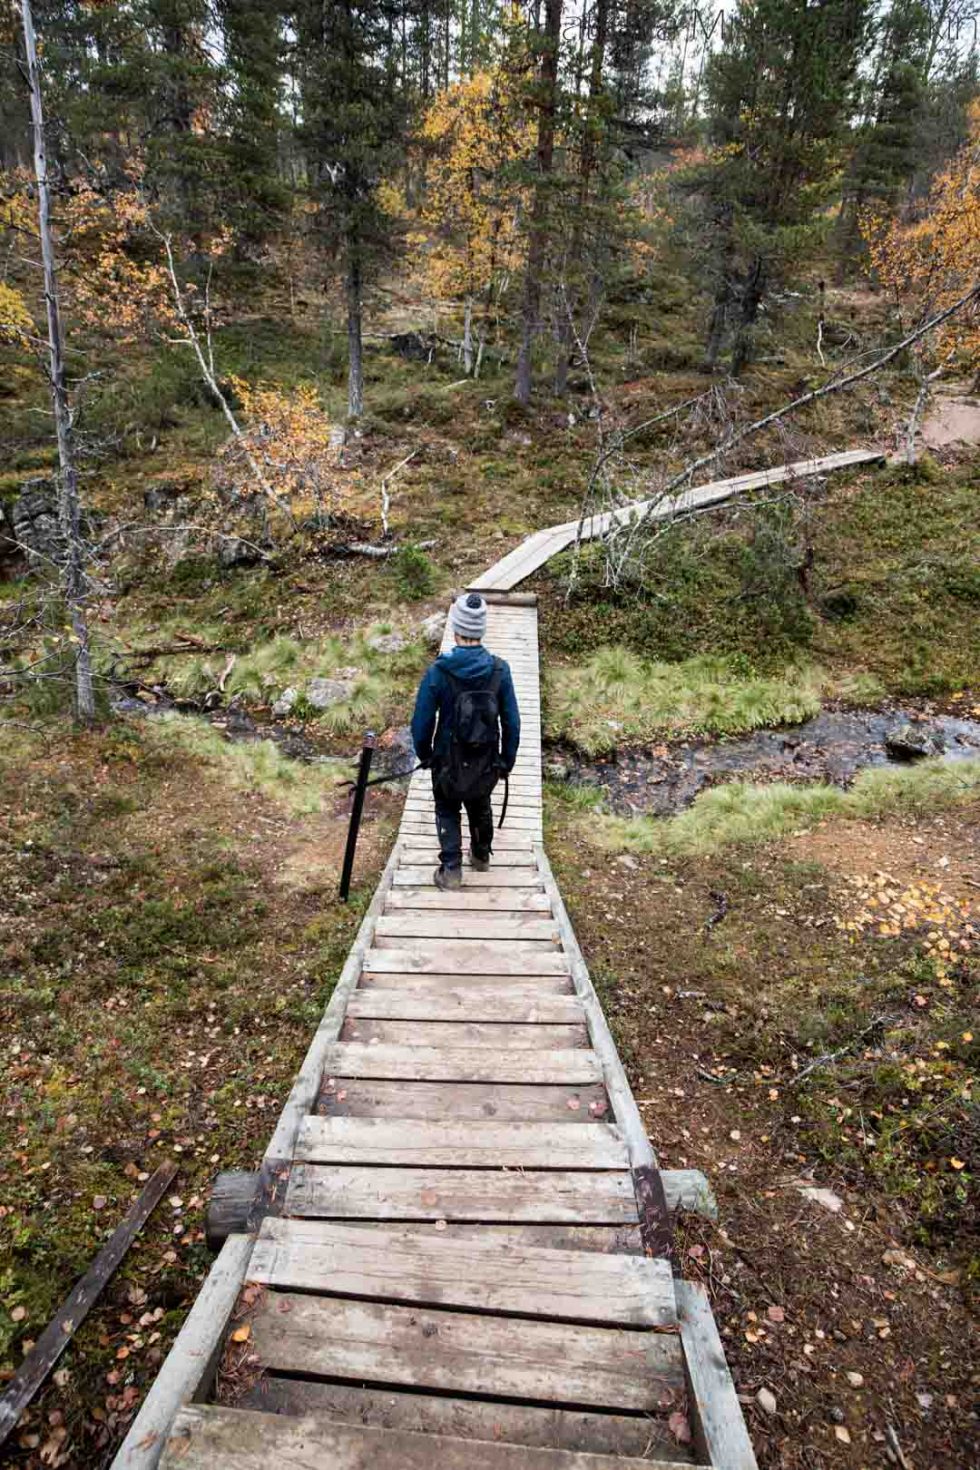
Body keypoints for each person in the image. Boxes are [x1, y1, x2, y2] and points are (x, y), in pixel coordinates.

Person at [410, 592, 521, 890]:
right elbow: (512, 722)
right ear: (480, 630)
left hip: (447, 760)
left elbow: (421, 723)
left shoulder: (438, 671)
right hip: (485, 760)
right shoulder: (500, 669)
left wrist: (427, 755)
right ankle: (482, 856)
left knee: (447, 807)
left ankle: (451, 871)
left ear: (457, 629)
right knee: (480, 801)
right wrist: (505, 761)